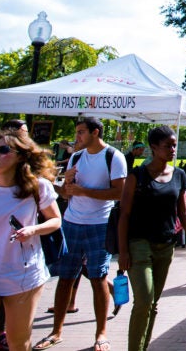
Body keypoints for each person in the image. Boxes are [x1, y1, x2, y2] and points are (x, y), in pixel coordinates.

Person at [39, 116, 127, 351]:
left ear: (95, 132)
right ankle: (56, 331)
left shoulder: (113, 157)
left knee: (98, 279)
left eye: (81, 132)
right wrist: (65, 185)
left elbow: (119, 193)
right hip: (71, 223)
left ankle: (101, 333)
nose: (77, 137)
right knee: (65, 278)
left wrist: (83, 191)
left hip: (99, 224)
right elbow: (68, 195)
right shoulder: (76, 157)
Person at [0, 130, 63, 351]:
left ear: (21, 156)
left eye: (3, 150)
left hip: (22, 277)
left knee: (18, 342)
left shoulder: (38, 187)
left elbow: (55, 221)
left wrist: (34, 229)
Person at [117, 125, 186, 351]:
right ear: (154, 148)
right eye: (167, 146)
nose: (173, 149)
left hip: (166, 245)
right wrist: (122, 251)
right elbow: (124, 214)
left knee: (152, 304)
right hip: (139, 244)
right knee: (143, 300)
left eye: (174, 145)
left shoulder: (179, 175)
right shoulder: (137, 176)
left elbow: (183, 210)